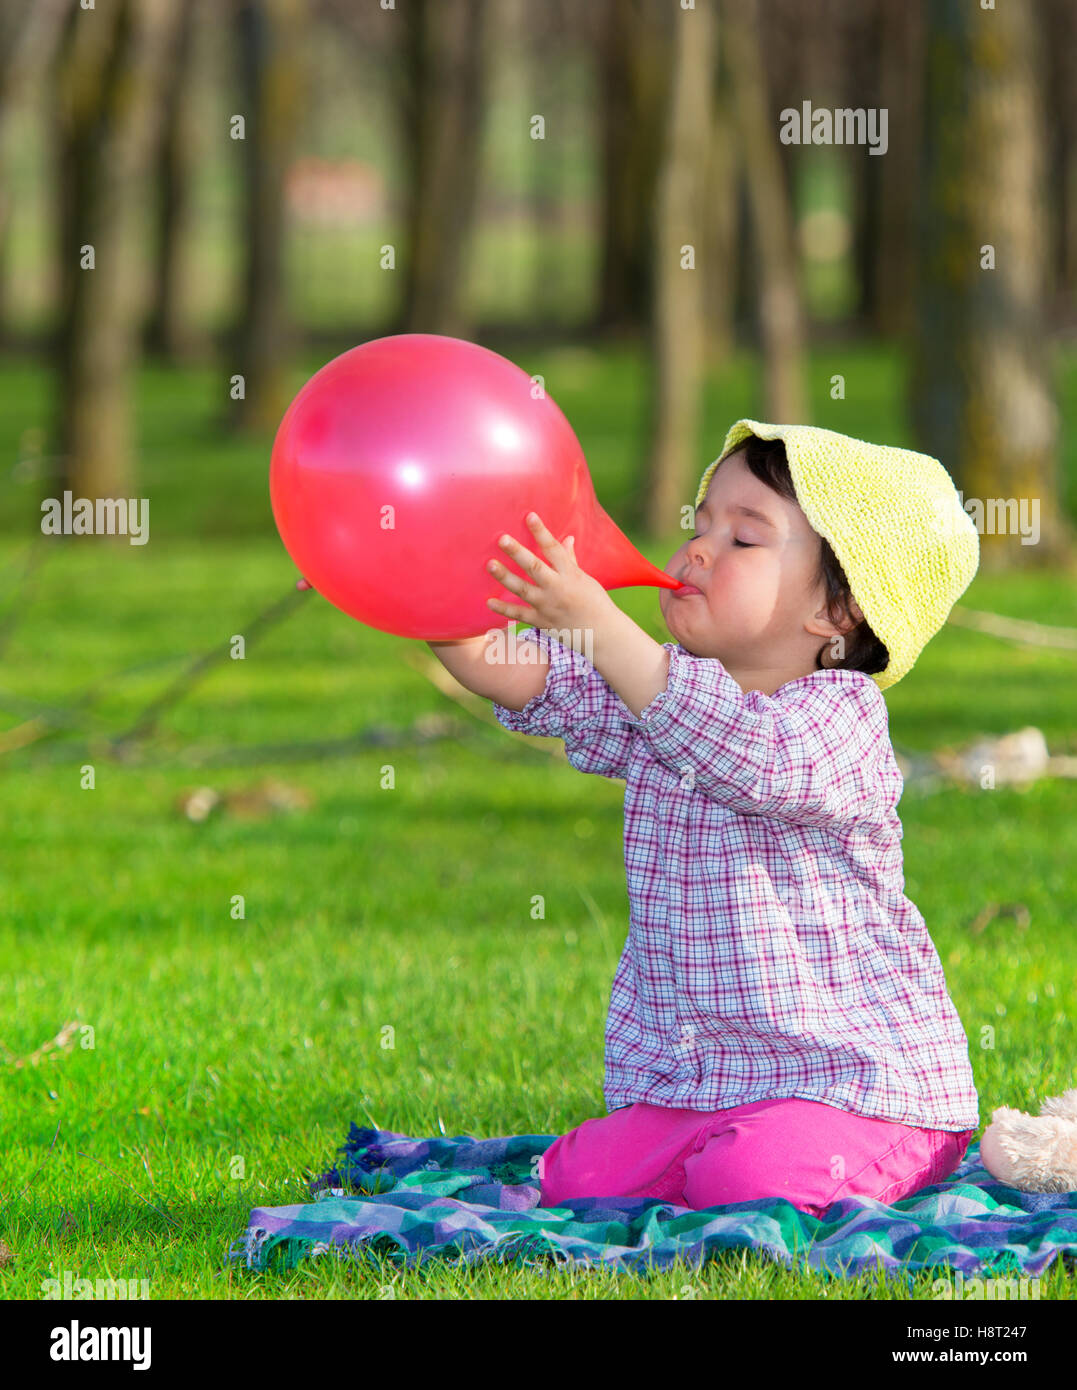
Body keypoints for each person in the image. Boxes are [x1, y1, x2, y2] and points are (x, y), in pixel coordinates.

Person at [425, 419, 981, 1217]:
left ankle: (894, 1149)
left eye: (743, 539)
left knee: (748, 1189)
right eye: (698, 524)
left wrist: (601, 622)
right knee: (573, 1185)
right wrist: (408, 581)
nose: (696, 551)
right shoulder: (663, 693)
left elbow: (742, 753)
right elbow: (511, 670)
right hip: (701, 1082)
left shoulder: (838, 719)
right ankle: (723, 1138)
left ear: (838, 609)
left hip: (859, 1085)